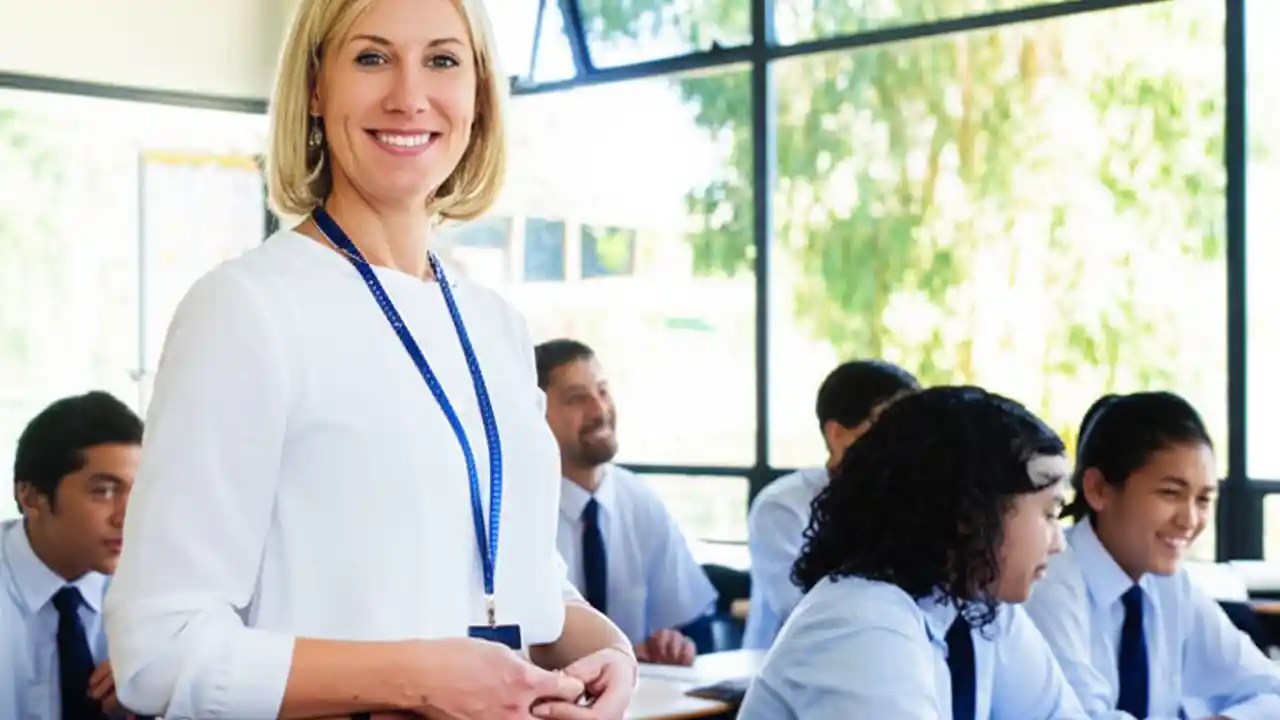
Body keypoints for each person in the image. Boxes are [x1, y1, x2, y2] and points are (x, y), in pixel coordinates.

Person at [103, 1, 636, 718]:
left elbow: (520, 583)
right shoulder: (245, 309)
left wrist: (609, 656)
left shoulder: (496, 326)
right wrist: (418, 677)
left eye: (443, 60)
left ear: (478, 95)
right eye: (372, 58)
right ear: (316, 88)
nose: (409, 96)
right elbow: (160, 651)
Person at [737, 386, 1087, 720]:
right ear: (970, 512)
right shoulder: (861, 621)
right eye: (1049, 514)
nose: (1058, 543)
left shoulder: (979, 609)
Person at [1023, 392, 1280, 719]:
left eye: (1203, 500)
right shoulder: (1049, 577)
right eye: (1171, 493)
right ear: (1098, 489)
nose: (1189, 520)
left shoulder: (1171, 587)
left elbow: (1271, 688)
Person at [535, 339, 717, 667]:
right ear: (534, 412)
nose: (599, 410)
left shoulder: (640, 501)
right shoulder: (511, 509)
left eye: (602, 392)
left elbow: (693, 627)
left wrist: (676, 645)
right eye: (577, 399)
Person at [743, 359, 918, 649]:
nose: (902, 443)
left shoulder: (912, 502)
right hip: (791, 673)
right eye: (887, 426)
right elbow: (802, 609)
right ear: (836, 434)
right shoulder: (783, 507)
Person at [1, 391, 142, 719]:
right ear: (31, 496)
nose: (127, 517)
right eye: (104, 492)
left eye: (138, 492)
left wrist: (151, 693)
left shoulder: (154, 588)